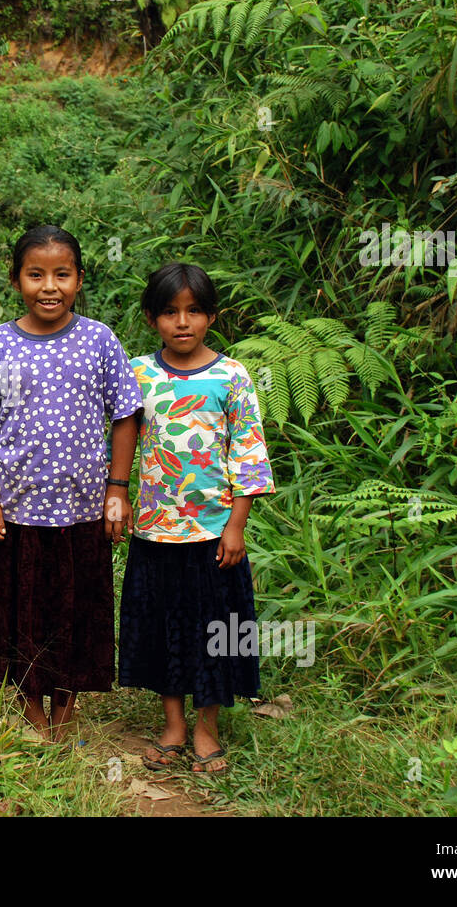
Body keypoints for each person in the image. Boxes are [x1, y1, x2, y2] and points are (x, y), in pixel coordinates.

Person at [0, 225, 143, 743]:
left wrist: (117, 489)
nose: (49, 286)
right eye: (36, 274)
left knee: (75, 608)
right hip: (17, 510)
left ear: (80, 279)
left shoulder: (99, 340)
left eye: (62, 274)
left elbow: (126, 415)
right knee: (22, 608)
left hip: (82, 511)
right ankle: (29, 702)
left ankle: (66, 703)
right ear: (17, 280)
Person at [118, 262, 276, 774]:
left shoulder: (231, 376)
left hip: (212, 534)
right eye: (169, 312)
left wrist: (236, 526)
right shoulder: (138, 373)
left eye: (194, 311)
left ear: (212, 316)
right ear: (151, 318)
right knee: (165, 629)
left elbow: (248, 453)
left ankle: (206, 729)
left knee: (215, 632)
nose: (182, 322)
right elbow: (122, 438)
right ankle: (173, 726)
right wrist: (115, 495)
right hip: (154, 531)